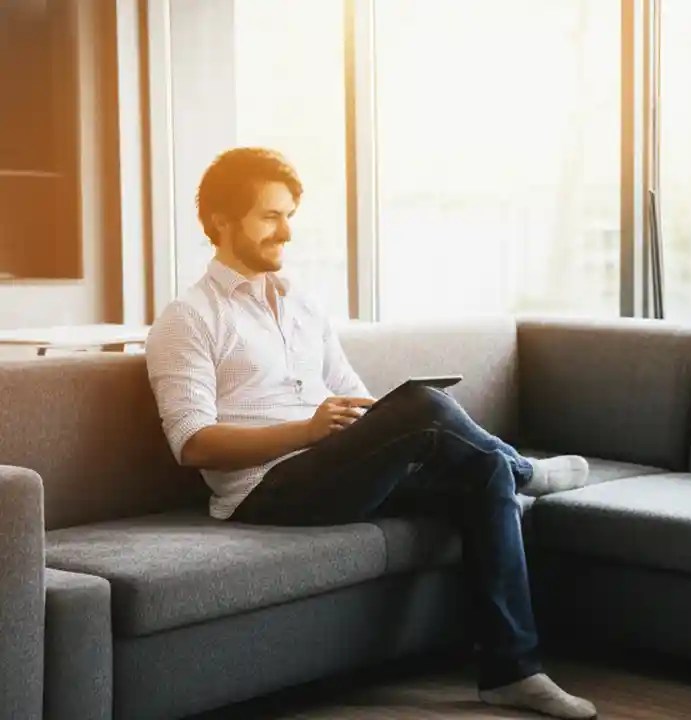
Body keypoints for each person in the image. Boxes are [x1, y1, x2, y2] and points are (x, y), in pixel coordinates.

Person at [145, 147, 596, 720]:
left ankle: (512, 671)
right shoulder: (188, 318)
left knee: (480, 471)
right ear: (219, 222)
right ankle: (527, 470)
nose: (285, 231)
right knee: (425, 405)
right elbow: (193, 443)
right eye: (269, 217)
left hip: (334, 471)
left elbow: (358, 398)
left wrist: (379, 424)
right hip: (264, 491)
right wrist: (307, 430)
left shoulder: (301, 304)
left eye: (288, 216)